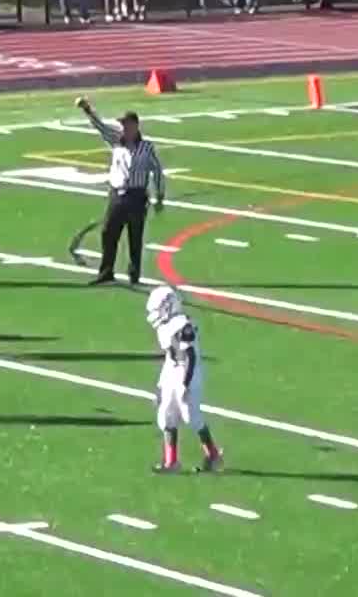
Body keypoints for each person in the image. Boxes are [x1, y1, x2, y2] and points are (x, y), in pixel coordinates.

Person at [76, 96, 165, 286]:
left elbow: (156, 170)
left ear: (135, 125)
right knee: (109, 232)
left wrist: (160, 196)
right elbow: (100, 126)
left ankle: (134, 274)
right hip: (117, 194)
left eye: (126, 124)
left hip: (137, 195)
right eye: (122, 124)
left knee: (135, 235)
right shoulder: (116, 140)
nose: (123, 128)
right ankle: (106, 272)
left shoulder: (146, 147)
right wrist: (87, 110)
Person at [145, 286, 222, 473]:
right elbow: (169, 358)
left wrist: (185, 384)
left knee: (190, 415)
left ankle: (213, 455)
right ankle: (171, 462)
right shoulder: (165, 326)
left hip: (188, 370)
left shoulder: (182, 325)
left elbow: (190, 357)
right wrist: (161, 384)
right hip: (172, 368)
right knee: (165, 414)